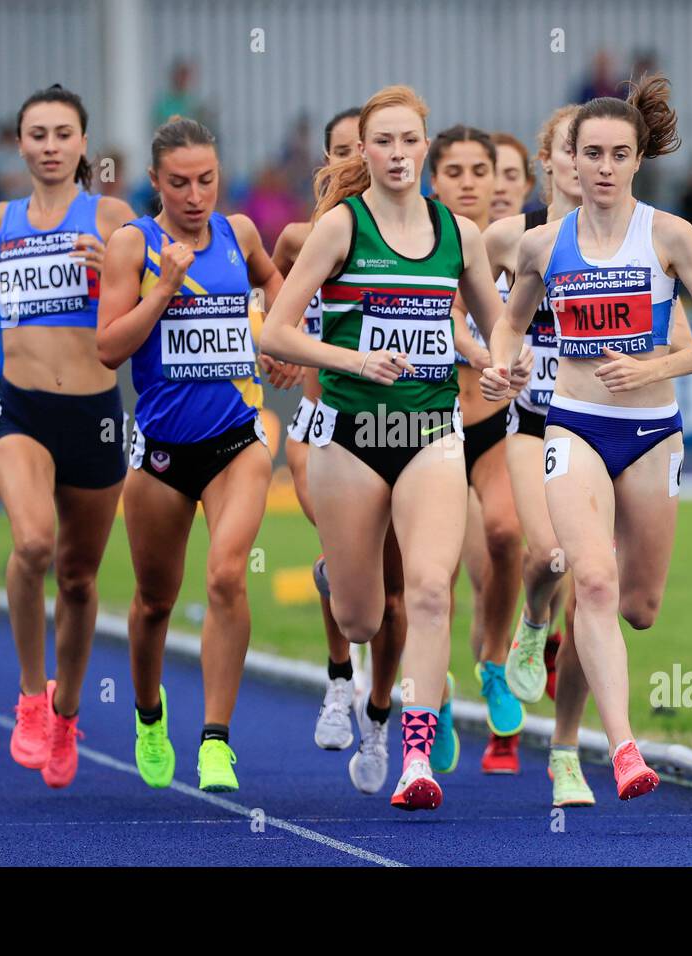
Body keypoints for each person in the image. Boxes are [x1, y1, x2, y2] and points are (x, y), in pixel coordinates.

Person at [483, 76, 692, 802]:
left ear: (637, 160)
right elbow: (508, 319)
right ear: (571, 158)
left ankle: (559, 655)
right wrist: (505, 363)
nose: (601, 167)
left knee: (639, 607)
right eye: (590, 152)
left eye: (616, 154)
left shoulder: (669, 236)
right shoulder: (541, 245)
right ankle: (623, 748)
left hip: (653, 431)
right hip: (573, 424)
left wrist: (656, 363)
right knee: (590, 575)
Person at [261, 86, 514, 811]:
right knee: (361, 619)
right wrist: (352, 362)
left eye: (411, 142)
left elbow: (498, 330)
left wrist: (500, 363)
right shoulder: (340, 228)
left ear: (423, 149)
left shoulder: (457, 235)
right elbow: (274, 332)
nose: (399, 155)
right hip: (351, 437)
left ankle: (415, 756)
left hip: (430, 433)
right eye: (385, 143)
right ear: (363, 151)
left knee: (431, 591)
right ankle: (349, 640)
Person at [0, 84, 136, 789]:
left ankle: (66, 710)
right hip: (20, 408)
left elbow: (171, 288)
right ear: (20, 144)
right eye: (36, 134)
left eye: (63, 134)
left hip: (97, 418)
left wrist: (119, 269)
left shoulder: (115, 216)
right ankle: (30, 695)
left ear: (84, 145)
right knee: (33, 545)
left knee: (81, 580)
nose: (50, 146)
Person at [97, 115, 293, 794]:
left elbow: (279, 288)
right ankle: (150, 716)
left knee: (226, 576)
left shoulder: (238, 234)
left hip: (238, 440)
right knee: (154, 603)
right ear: (154, 181)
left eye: (206, 179)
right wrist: (164, 288)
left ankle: (216, 739)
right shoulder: (133, 245)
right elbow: (109, 347)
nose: (194, 194)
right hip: (160, 454)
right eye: (179, 182)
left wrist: (278, 340)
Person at [274, 107, 410, 786]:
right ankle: (336, 683)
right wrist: (279, 349)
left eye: (366, 150)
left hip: (399, 428)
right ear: (327, 161)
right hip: (321, 422)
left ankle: (380, 716)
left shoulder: (409, 236)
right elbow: (273, 297)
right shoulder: (303, 235)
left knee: (395, 595)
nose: (355, 164)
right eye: (342, 153)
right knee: (338, 549)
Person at [427, 125, 528, 775]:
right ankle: (430, 694)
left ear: (500, 182)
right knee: (431, 580)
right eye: (455, 171)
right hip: (428, 429)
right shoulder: (415, 245)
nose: (468, 183)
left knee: (509, 532)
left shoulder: (523, 249)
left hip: (494, 424)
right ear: (433, 181)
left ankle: (494, 659)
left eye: (480, 171)